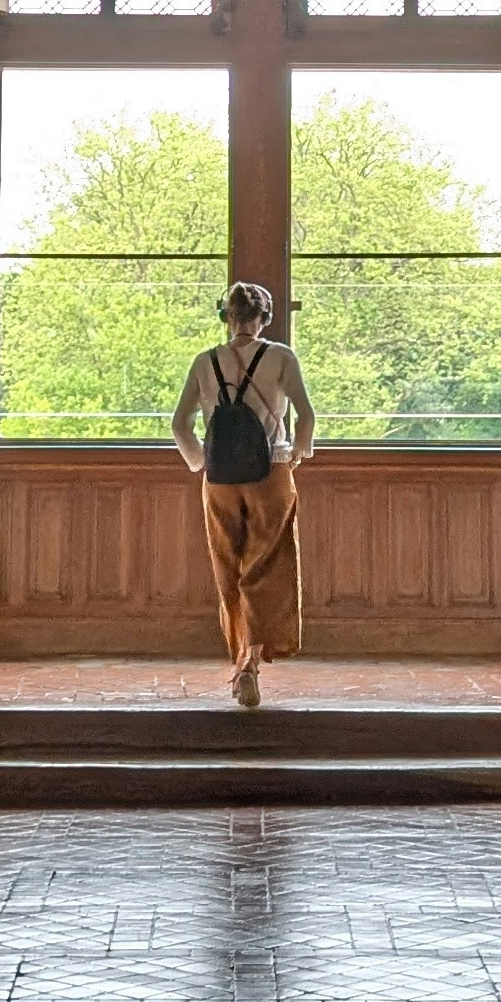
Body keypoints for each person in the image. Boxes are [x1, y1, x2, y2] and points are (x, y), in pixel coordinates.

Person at [173, 281, 316, 709]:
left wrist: (200, 462)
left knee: (227, 567)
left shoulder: (205, 362)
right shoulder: (281, 358)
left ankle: (239, 662)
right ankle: (251, 664)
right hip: (270, 470)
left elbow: (180, 424)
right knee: (266, 565)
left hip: (219, 478)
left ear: (225, 317)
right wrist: (296, 455)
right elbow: (306, 416)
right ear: (265, 318)